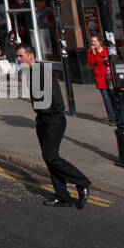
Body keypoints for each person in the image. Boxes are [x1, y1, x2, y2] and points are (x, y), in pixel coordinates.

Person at [17, 44, 91, 209]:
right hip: (42, 119)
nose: (18, 59)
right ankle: (62, 196)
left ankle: (83, 182)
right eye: (18, 56)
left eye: (21, 56)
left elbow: (57, 99)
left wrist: (52, 115)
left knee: (51, 156)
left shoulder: (42, 71)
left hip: (53, 119)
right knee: (48, 157)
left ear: (31, 56)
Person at [87, 35, 116, 124]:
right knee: (106, 99)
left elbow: (114, 60)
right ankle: (112, 119)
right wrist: (93, 53)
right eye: (92, 41)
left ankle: (118, 115)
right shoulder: (91, 52)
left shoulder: (106, 50)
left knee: (114, 98)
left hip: (110, 77)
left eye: (95, 41)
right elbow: (91, 63)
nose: (93, 43)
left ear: (100, 42)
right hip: (100, 78)